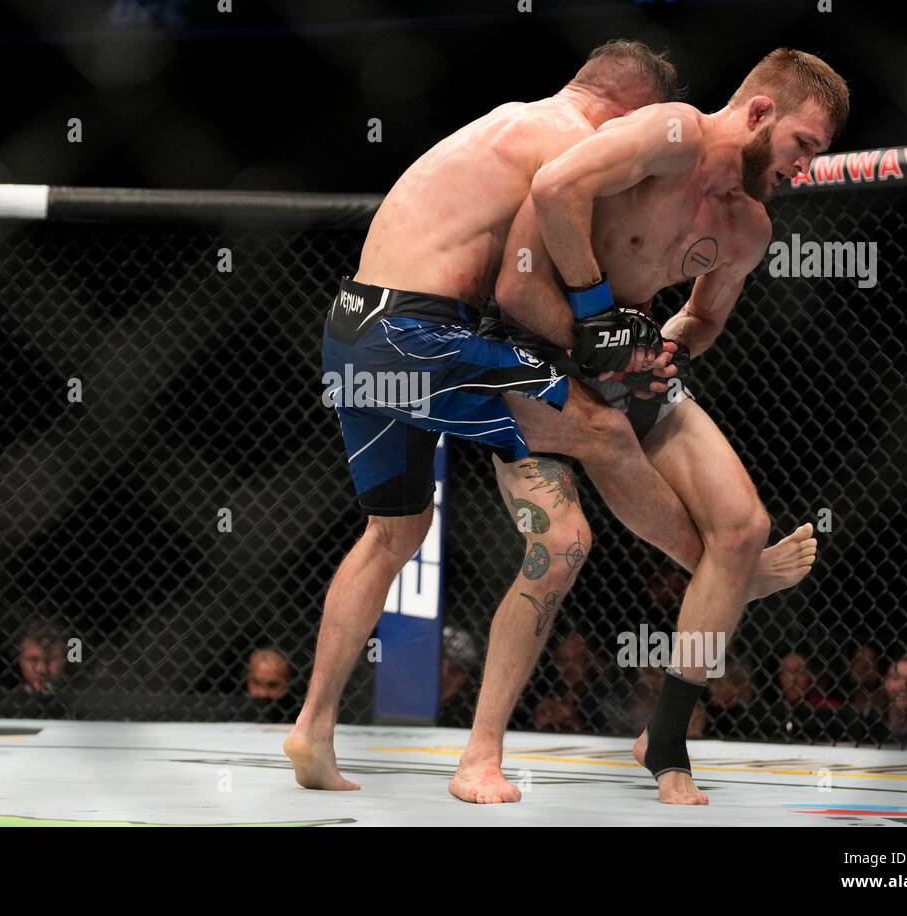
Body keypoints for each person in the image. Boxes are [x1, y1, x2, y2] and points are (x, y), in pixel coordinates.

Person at [286, 40, 686, 791]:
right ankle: (724, 567)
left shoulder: (512, 121)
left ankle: (312, 728)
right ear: (633, 114)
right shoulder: (574, 148)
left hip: (353, 324)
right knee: (603, 428)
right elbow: (530, 291)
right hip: (420, 331)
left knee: (394, 531)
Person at [454, 48, 847, 804]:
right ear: (760, 112)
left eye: (816, 156)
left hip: (618, 362)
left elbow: (700, 316)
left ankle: (665, 738)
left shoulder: (749, 230)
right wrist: (597, 315)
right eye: (804, 145)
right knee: (559, 545)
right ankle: (481, 752)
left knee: (743, 527)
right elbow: (555, 185)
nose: (805, 167)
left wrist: (665, 349)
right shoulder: (671, 134)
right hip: (530, 345)